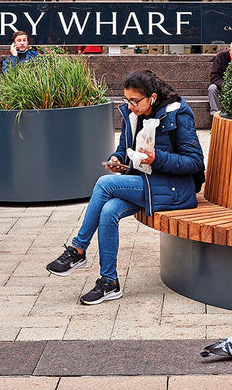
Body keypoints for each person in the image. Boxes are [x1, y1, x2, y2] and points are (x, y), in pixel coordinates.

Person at [46, 70, 204, 304]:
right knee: (109, 211)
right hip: (145, 183)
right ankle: (109, 282)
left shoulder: (178, 114)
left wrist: (156, 158)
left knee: (104, 184)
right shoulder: (131, 114)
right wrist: (118, 161)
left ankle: (78, 250)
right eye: (126, 100)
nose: (130, 106)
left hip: (174, 189)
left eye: (134, 101)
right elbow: (123, 149)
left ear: (151, 97)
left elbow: (195, 162)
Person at [208, 40, 232, 115]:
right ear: (230, 50)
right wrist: (226, 85)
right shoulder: (220, 57)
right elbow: (214, 76)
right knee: (212, 88)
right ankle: (215, 114)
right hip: (223, 86)